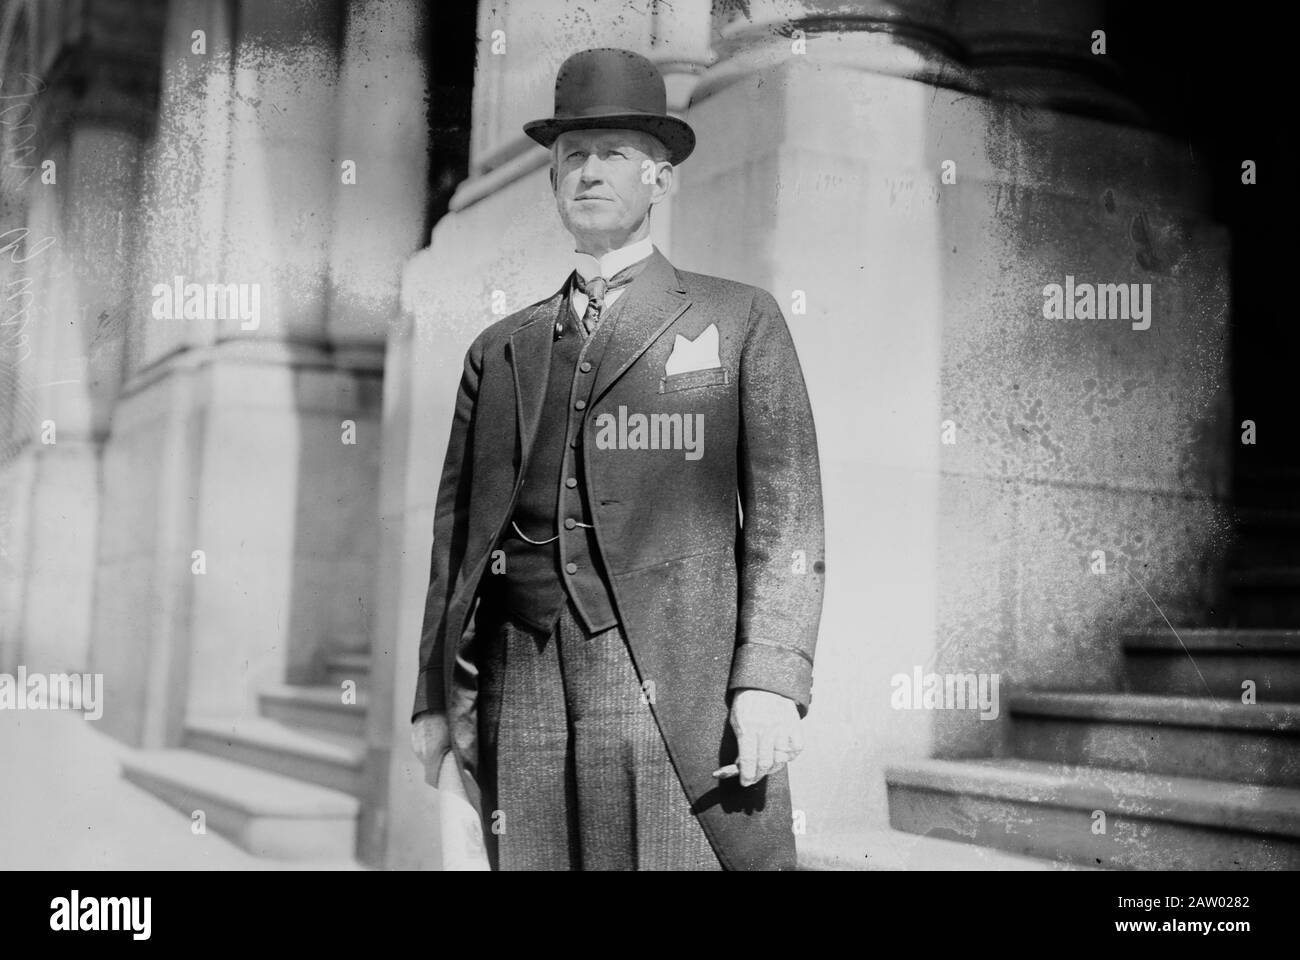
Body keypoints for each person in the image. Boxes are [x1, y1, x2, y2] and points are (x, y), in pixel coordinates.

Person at [410, 47, 825, 870]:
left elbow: (787, 518)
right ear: (553, 181)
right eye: (572, 156)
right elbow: (454, 545)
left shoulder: (738, 319)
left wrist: (772, 677)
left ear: (660, 179)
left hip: (666, 676)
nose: (589, 171)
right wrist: (432, 701)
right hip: (519, 672)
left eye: (614, 154)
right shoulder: (501, 350)